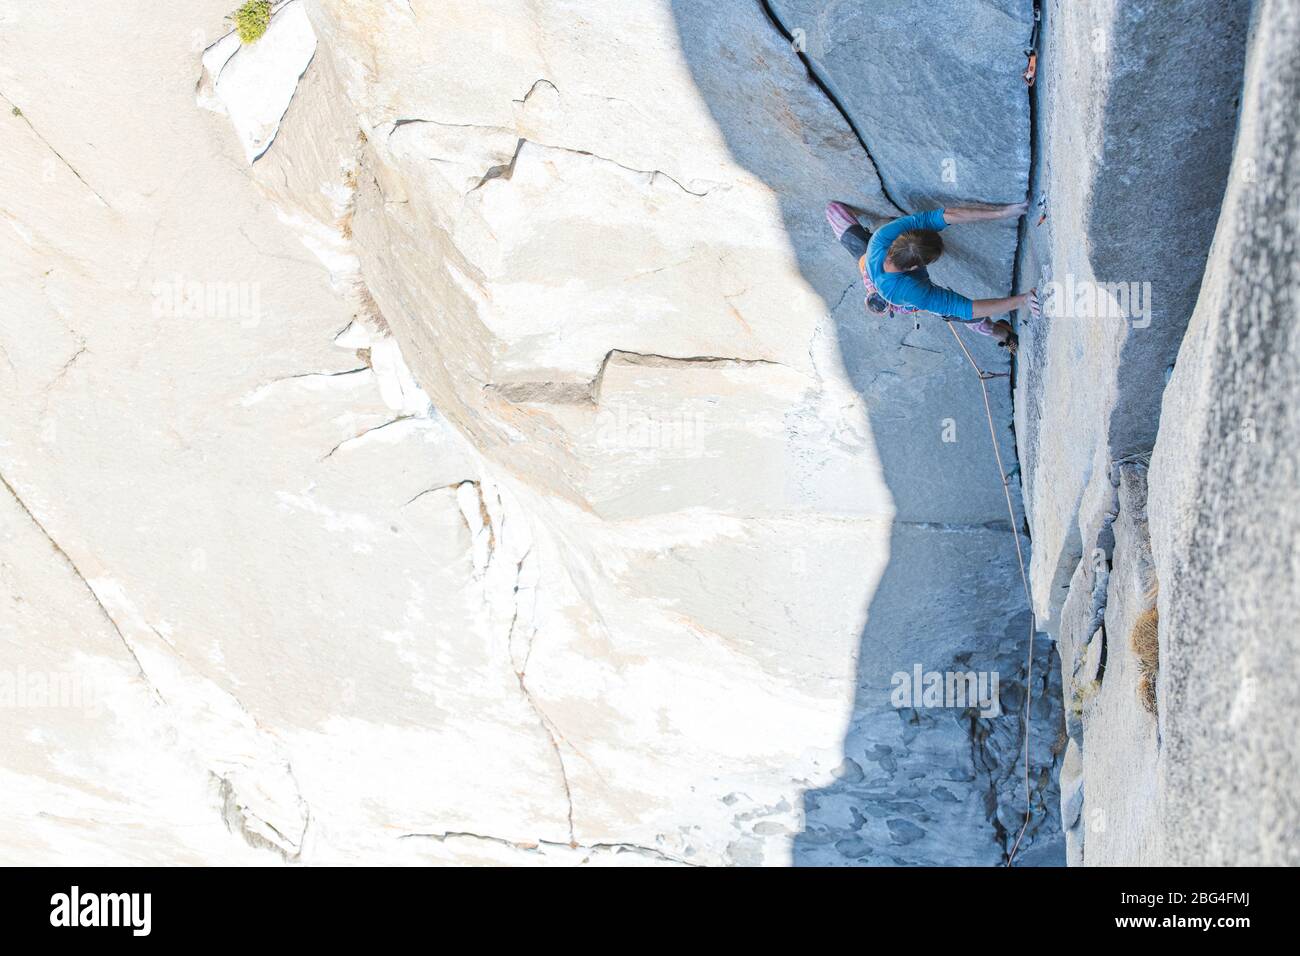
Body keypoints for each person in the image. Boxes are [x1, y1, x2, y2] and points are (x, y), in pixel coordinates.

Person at [825, 200, 1036, 352]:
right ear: (916, 267)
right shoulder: (912, 291)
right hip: (901, 296)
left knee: (834, 211)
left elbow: (942, 215)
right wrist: (1024, 300)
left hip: (871, 263)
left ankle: (1001, 332)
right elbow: (964, 308)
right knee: (975, 321)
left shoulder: (883, 236)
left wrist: (1003, 212)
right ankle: (1005, 335)